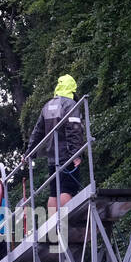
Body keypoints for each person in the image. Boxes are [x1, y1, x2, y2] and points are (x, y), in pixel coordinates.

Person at [25, 74, 86, 213]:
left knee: (54, 192)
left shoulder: (47, 106)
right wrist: (76, 154)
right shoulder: (70, 104)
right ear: (72, 89)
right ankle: (67, 221)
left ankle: (54, 225)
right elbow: (74, 130)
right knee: (67, 189)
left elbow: (37, 132)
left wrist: (29, 153)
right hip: (67, 155)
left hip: (52, 157)